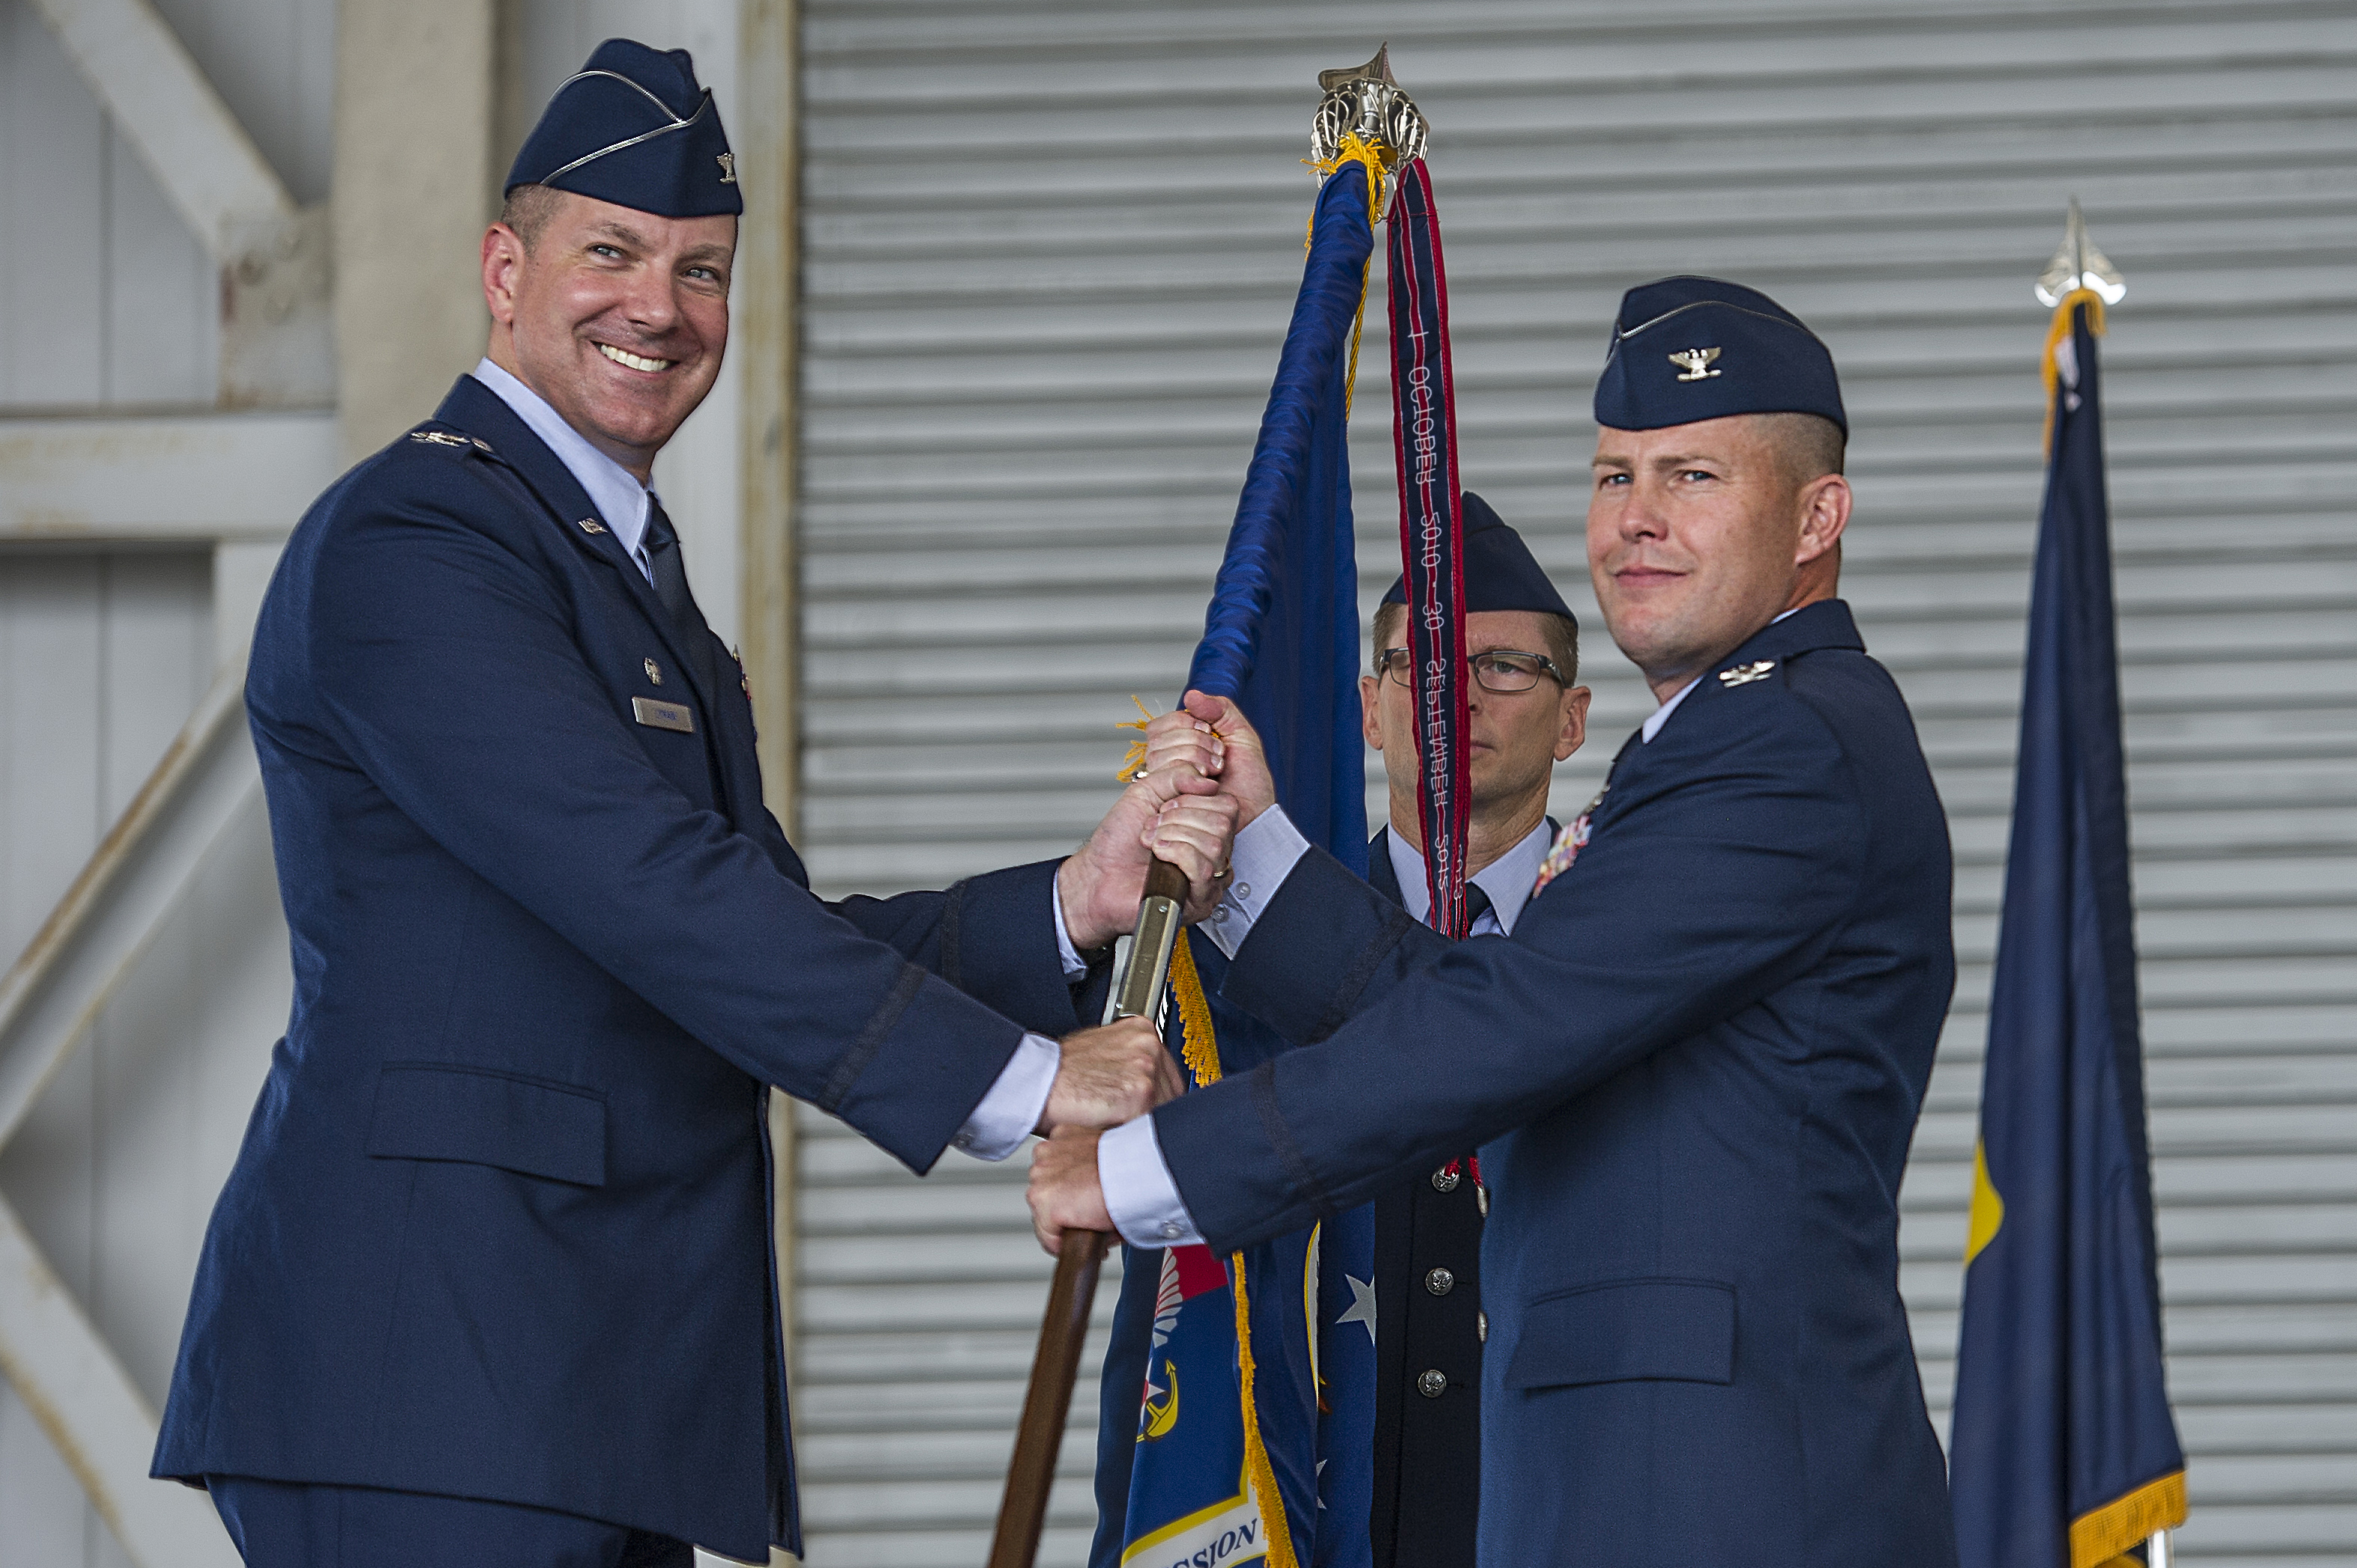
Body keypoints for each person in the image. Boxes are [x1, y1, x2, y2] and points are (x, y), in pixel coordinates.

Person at [149, 40, 1232, 1567]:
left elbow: (756, 927)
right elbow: (650, 888)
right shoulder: (416, 540)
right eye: (612, 252)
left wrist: (1074, 900)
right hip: (436, 1382)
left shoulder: (622, 581)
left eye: (703, 271)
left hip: (586, 1383)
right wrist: (1028, 1082)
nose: (658, 307)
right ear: (502, 270)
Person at [1033, 277, 1960, 1566]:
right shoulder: (1723, 739)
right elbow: (1512, 1011)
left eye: (1690, 476)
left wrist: (1153, 1171)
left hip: (1719, 1498)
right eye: (1612, 476)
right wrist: (1253, 854)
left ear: (1817, 517)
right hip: (1635, 1486)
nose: (1634, 522)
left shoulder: (1783, 743)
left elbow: (1511, 1023)